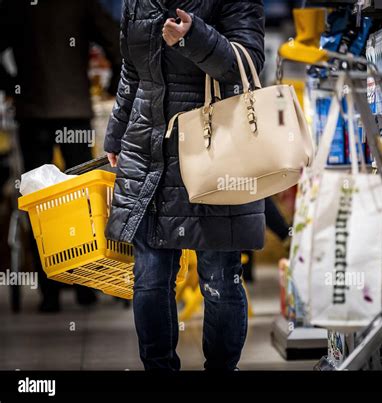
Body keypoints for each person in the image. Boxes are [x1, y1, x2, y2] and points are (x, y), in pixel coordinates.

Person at [104, 0, 265, 370]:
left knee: (221, 278)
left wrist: (194, 37)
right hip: (147, 149)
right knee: (149, 278)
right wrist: (116, 132)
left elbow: (247, 63)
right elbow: (132, 68)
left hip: (215, 149)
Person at [0, 0, 122, 312]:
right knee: (81, 200)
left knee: (40, 201)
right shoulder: (82, 4)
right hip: (74, 109)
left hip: (33, 112)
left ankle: (50, 292)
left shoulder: (17, 6)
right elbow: (115, 39)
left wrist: (12, 86)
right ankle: (84, 284)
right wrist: (113, 82)